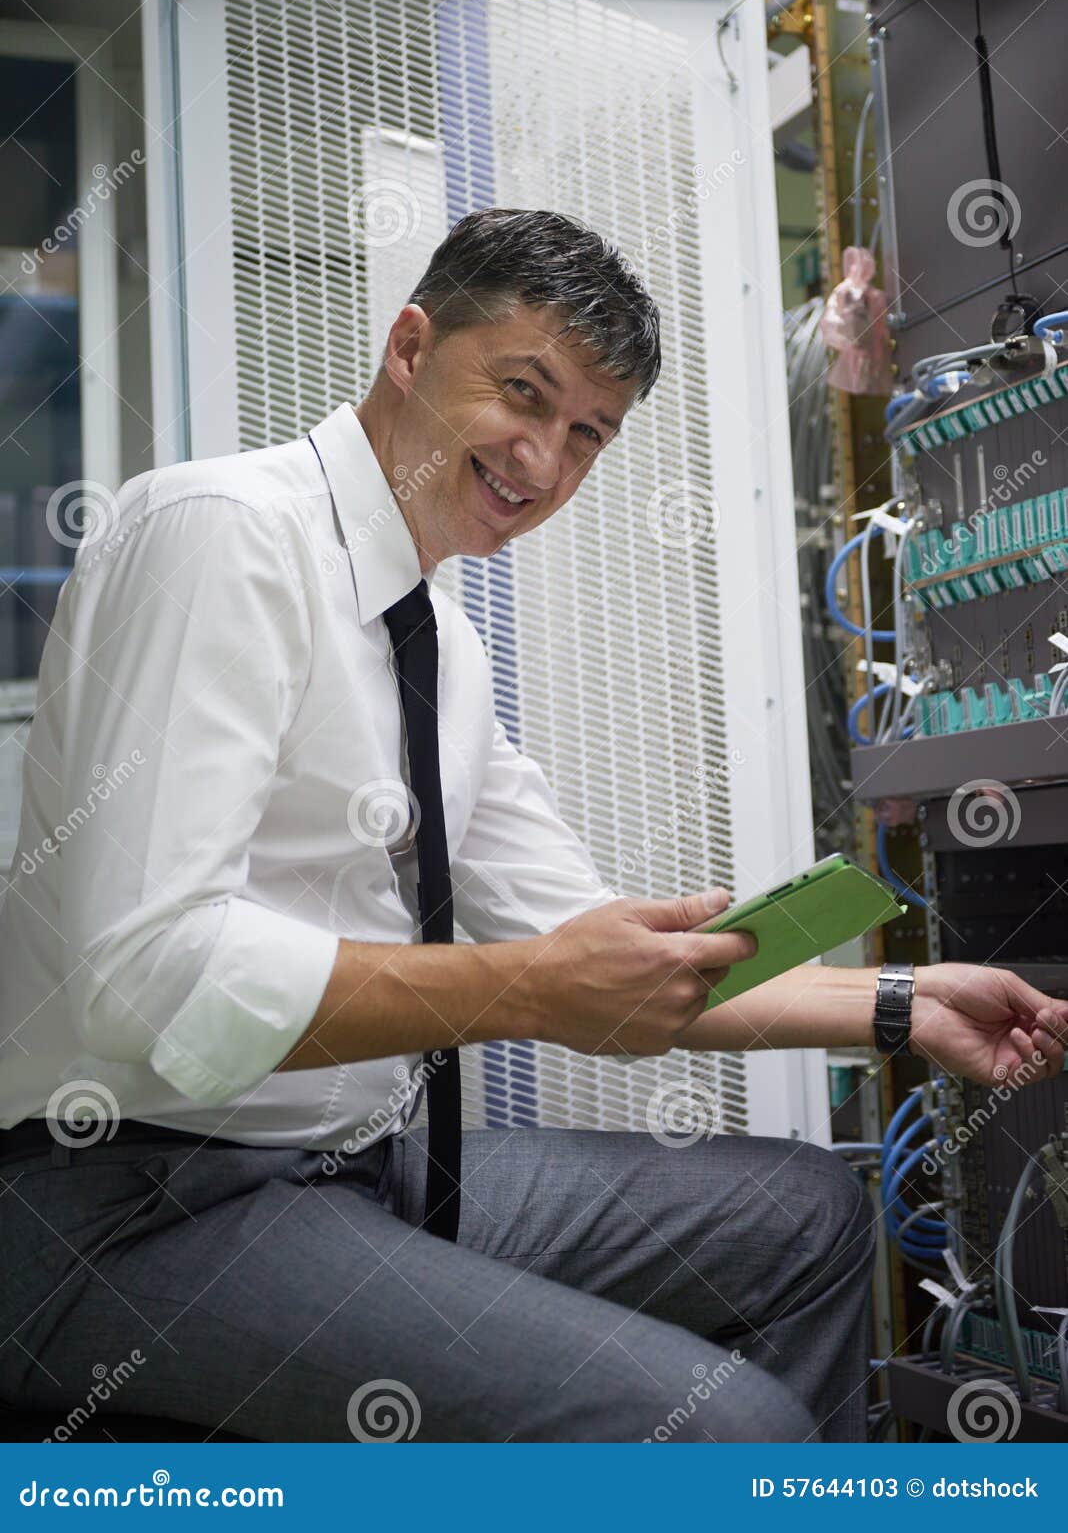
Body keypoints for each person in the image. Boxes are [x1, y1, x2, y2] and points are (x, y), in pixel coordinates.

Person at [1, 209, 1065, 1445]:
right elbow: (147, 978)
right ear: (410, 345)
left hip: (345, 1164)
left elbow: (593, 954)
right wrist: (523, 989)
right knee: (727, 1434)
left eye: (587, 435)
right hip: (119, 1202)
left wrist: (906, 1002)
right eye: (523, 393)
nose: (545, 463)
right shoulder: (222, 536)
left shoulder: (437, 642)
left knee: (807, 1214)